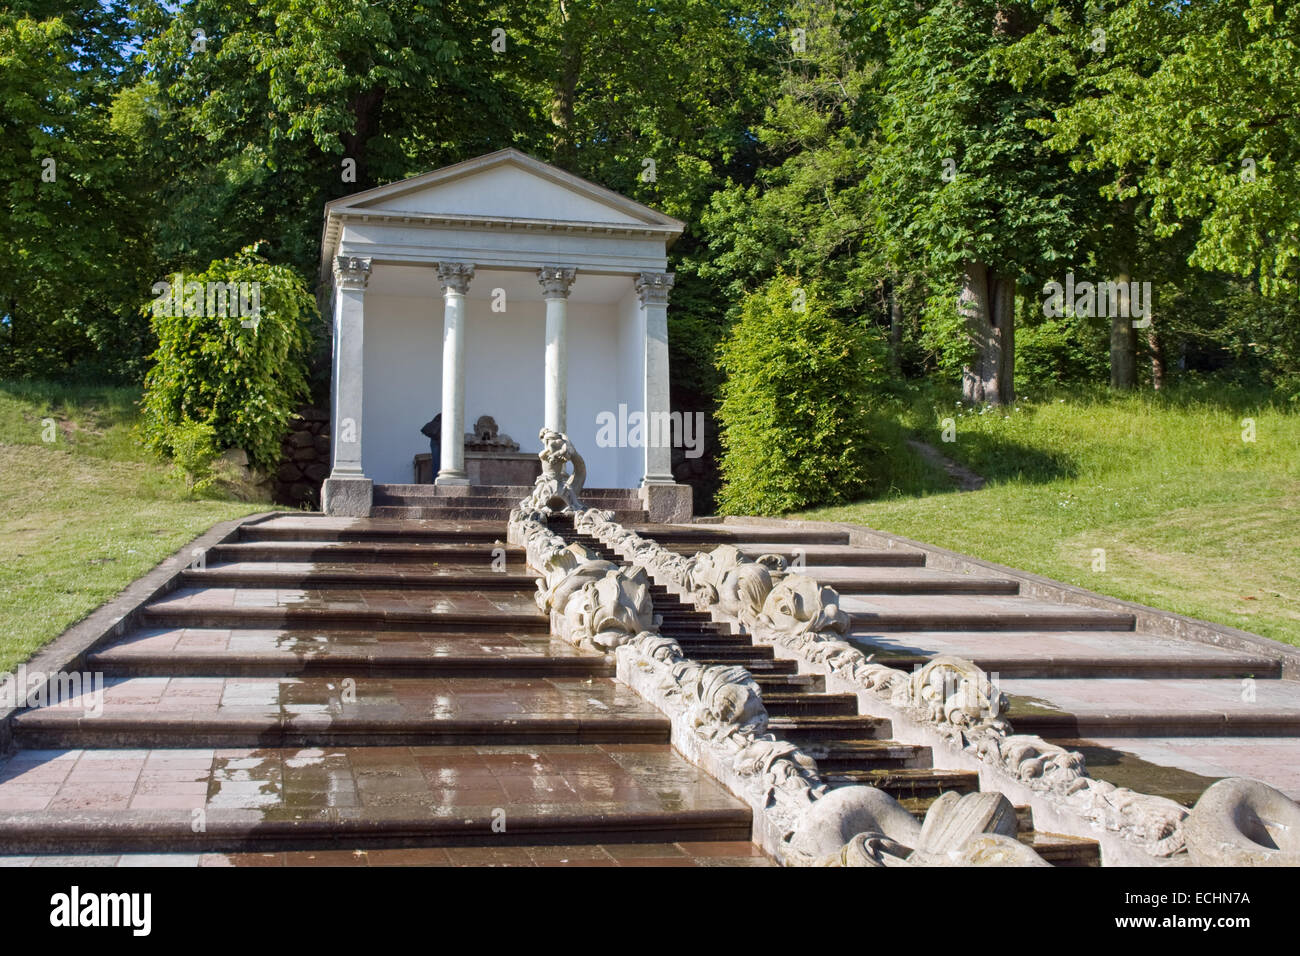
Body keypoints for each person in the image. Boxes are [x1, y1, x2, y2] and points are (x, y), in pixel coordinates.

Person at [420, 413, 441, 483]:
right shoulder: (448, 416)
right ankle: (436, 480)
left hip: (434, 441)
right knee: (437, 463)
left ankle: (434, 480)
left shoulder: (439, 416)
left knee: (436, 463)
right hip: (437, 442)